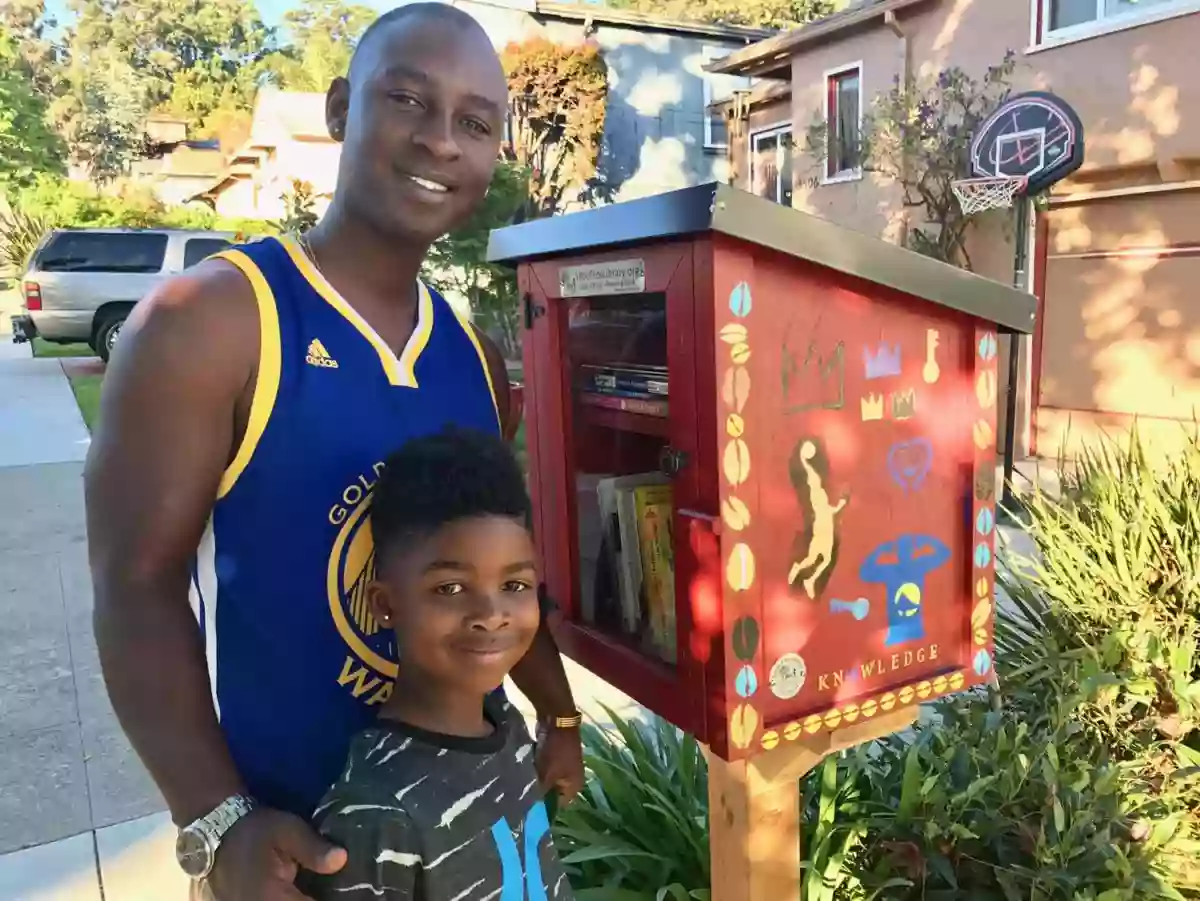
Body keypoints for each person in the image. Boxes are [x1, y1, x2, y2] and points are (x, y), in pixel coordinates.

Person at [83, 6, 584, 900]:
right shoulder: (212, 322)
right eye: (408, 100)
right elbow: (135, 586)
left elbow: (499, 570)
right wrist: (216, 821)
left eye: (475, 122)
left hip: (462, 836)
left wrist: (559, 710)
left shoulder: (474, 359)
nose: (440, 142)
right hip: (291, 859)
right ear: (342, 108)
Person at [301, 426, 574, 901]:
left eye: (514, 586)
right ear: (385, 604)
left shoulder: (506, 731)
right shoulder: (376, 814)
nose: (491, 615)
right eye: (449, 589)